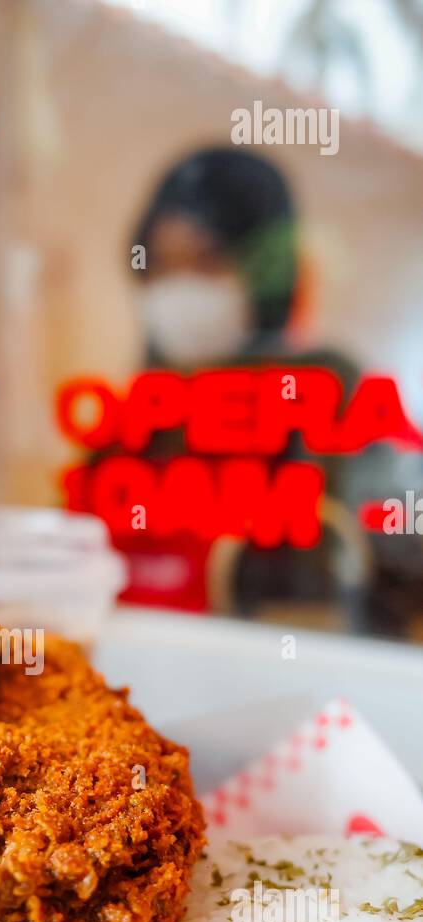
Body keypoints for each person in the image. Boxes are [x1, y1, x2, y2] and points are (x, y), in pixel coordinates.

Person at [103, 146, 417, 633]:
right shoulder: (132, 421)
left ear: (268, 272)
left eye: (208, 264)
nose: (180, 289)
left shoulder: (334, 401)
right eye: (160, 265)